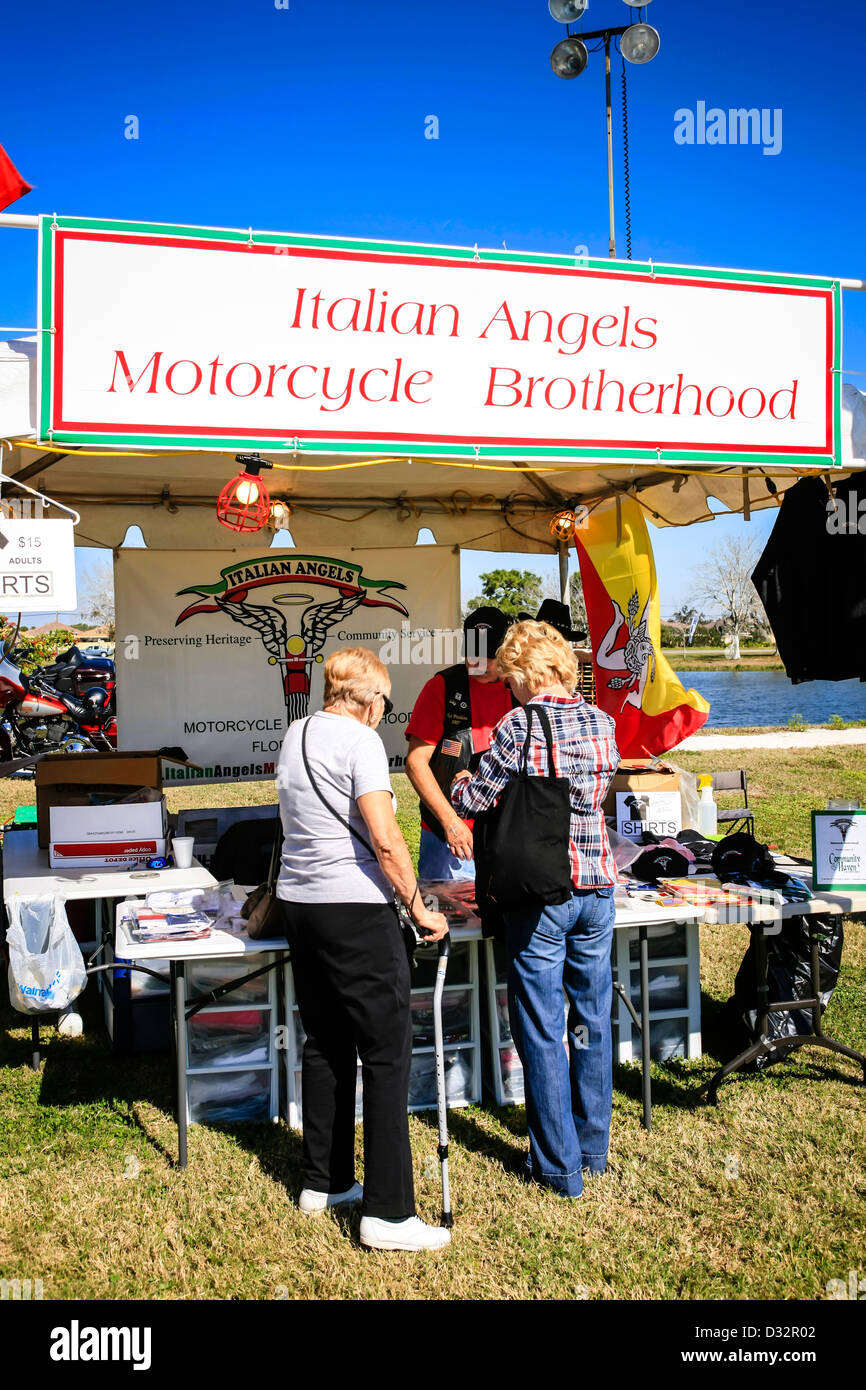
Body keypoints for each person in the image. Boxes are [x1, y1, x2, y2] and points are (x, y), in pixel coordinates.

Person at [275, 646, 451, 1252]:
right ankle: (389, 1213)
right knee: (385, 1053)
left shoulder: (296, 733)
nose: (384, 712)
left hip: (301, 903)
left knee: (325, 1041)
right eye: (385, 702)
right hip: (355, 909)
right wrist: (419, 907)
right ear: (371, 700)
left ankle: (325, 1182)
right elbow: (384, 837)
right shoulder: (362, 743)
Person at [451, 619, 619, 1198]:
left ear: (523, 675)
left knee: (543, 1026)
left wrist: (463, 777)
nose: (507, 687)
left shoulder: (518, 725)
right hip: (598, 886)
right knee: (592, 1017)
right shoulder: (603, 721)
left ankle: (557, 1165)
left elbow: (476, 799)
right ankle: (593, 1149)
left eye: (508, 677)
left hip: (542, 893)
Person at [405, 606, 513, 882]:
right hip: (449, 839)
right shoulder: (443, 686)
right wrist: (450, 823)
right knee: (450, 923)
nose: (476, 662)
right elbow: (416, 763)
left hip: (507, 836)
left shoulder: (519, 689)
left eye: (486, 655)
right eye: (472, 652)